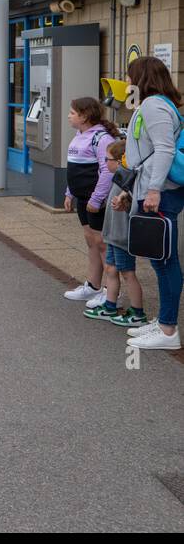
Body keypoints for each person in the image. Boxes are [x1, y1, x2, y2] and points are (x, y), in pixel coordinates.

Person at [114, 56, 184, 350]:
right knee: (160, 258)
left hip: (162, 192)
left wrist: (153, 190)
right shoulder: (159, 105)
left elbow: (165, 149)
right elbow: (149, 153)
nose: (128, 83)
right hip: (158, 189)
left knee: (165, 260)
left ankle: (168, 331)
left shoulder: (153, 106)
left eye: (131, 77)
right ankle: (164, 321)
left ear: (142, 78)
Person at [61, 97, 117, 304]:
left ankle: (111, 292)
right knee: (91, 241)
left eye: (72, 113)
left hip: (96, 202)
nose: (69, 116)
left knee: (102, 244)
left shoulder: (101, 139)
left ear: (84, 116)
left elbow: (107, 172)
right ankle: (93, 286)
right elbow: (74, 168)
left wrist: (97, 199)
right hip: (83, 199)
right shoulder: (79, 135)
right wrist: (70, 193)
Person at [88, 138, 148, 327]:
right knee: (111, 269)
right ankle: (110, 305)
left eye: (108, 159)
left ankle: (138, 312)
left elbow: (132, 203)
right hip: (113, 235)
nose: (105, 163)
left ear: (121, 160)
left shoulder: (127, 179)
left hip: (122, 236)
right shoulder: (118, 177)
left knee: (127, 272)